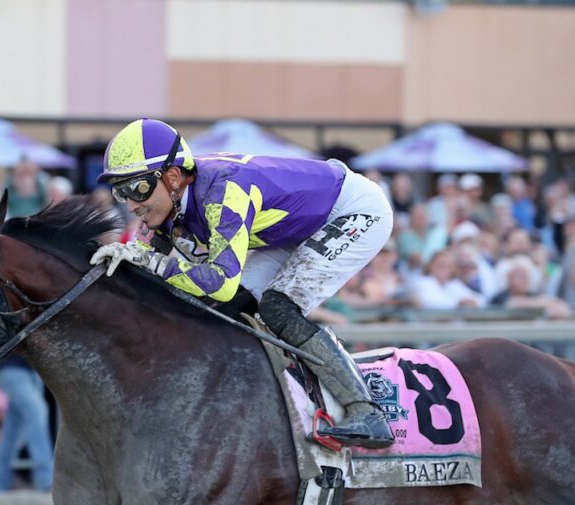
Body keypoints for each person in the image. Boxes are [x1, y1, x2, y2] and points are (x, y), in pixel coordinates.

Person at [90, 118, 394, 448]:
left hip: (352, 209)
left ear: (173, 177)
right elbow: (144, 260)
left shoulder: (222, 193)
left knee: (277, 307)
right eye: (120, 192)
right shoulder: (166, 204)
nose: (132, 204)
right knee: (229, 310)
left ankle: (366, 412)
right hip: (294, 224)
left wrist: (154, 263)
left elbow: (219, 281)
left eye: (137, 189)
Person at [0, 355, 54, 492]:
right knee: (37, 411)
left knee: (12, 431)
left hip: (29, 368)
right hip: (9, 365)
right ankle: (45, 479)